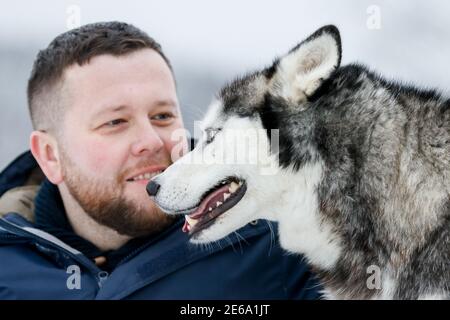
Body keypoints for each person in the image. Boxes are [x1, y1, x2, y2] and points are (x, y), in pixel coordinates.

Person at [0, 21, 321, 299]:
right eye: (115, 122)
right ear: (50, 155)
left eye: (163, 115)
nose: (152, 141)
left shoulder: (276, 245)